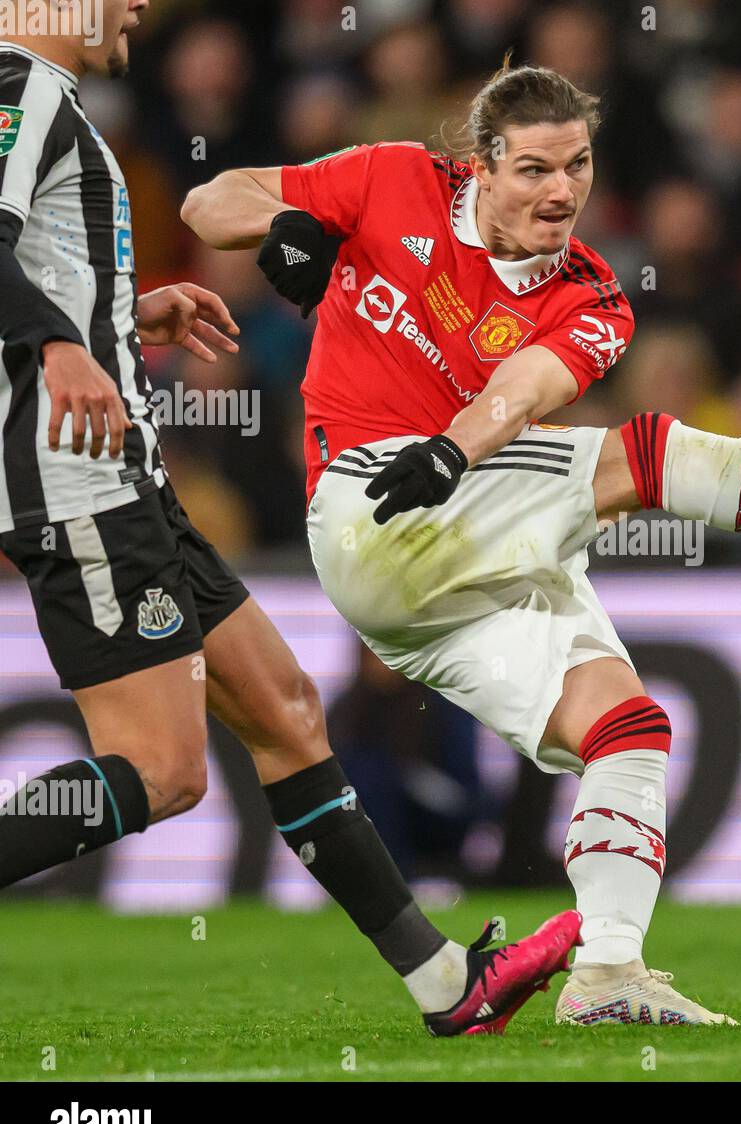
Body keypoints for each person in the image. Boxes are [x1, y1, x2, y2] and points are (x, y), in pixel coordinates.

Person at [181, 55, 741, 1026]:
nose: (560, 189)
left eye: (576, 165)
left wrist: (455, 449)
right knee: (645, 457)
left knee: (628, 730)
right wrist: (283, 228)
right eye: (533, 167)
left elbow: (524, 389)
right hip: (367, 509)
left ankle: (607, 973)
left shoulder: (593, 297)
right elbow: (207, 199)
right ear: (479, 166)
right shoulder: (394, 176)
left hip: (457, 545)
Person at [0, 0, 578, 1040]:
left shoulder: (54, 101)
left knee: (285, 707)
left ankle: (445, 981)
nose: (138, 9)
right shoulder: (18, 86)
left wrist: (119, 320)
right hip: (73, 478)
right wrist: (57, 347)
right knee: (164, 770)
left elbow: (35, 273)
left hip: (124, 474)